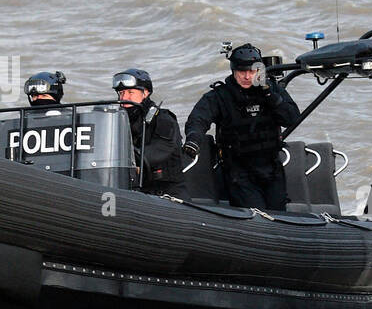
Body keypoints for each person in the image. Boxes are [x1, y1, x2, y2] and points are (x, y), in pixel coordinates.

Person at [182, 43, 300, 211]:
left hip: (271, 168)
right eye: (242, 72)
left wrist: (270, 95)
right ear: (233, 71)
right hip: (239, 171)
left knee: (278, 214)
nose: (246, 76)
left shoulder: (271, 90)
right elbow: (198, 119)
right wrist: (193, 139)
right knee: (257, 215)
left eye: (251, 72)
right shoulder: (220, 96)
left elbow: (292, 118)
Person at [112, 67, 187, 198]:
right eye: (121, 93)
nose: (124, 98)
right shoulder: (120, 121)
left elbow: (162, 148)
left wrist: (128, 158)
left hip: (166, 191)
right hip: (137, 190)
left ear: (145, 93)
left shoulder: (164, 119)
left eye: (130, 92)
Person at [0, 70, 66, 144]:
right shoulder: (21, 120)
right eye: (34, 96)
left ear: (56, 96)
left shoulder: (71, 118)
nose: (38, 99)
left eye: (43, 95)